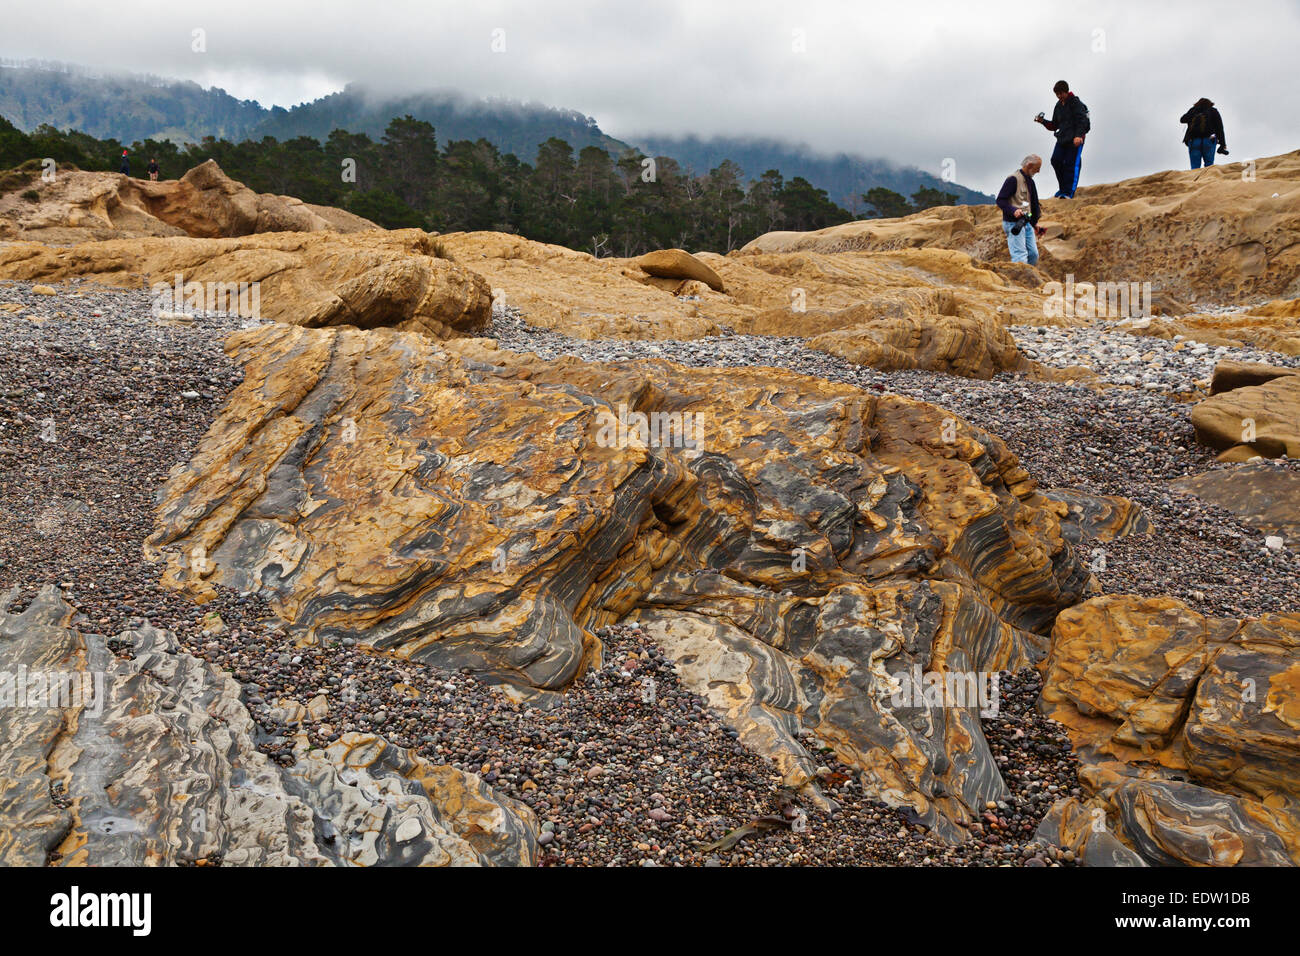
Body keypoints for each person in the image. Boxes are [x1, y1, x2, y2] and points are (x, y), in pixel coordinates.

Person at [1034, 80, 1090, 198]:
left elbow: (1082, 121)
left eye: (1061, 93)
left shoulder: (1076, 103)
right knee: (1056, 160)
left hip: (1075, 139)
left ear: (1066, 91)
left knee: (1071, 163)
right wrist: (1042, 121)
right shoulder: (1058, 105)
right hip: (1062, 138)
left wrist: (1078, 136)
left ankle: (1069, 192)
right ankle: (1063, 188)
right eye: (1057, 94)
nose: (1059, 96)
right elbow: (1055, 125)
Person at [996, 155, 1046, 265]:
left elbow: (1032, 204)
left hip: (1026, 223)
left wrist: (1034, 224)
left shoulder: (1030, 181)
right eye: (1037, 168)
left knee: (1033, 254)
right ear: (1029, 165)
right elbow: (1000, 200)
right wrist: (1013, 210)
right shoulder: (1013, 179)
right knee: (1020, 256)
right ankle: (1019, 280)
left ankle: (1027, 278)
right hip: (1013, 224)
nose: (1038, 171)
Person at [1180, 98, 1228, 169]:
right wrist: (1222, 144)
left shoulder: (1193, 110)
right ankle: (1207, 178)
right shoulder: (1213, 111)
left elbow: (1182, 119)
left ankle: (1195, 179)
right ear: (1210, 104)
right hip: (1210, 138)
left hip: (1193, 140)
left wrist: (1193, 110)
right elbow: (1219, 128)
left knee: (1195, 167)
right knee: (1209, 166)